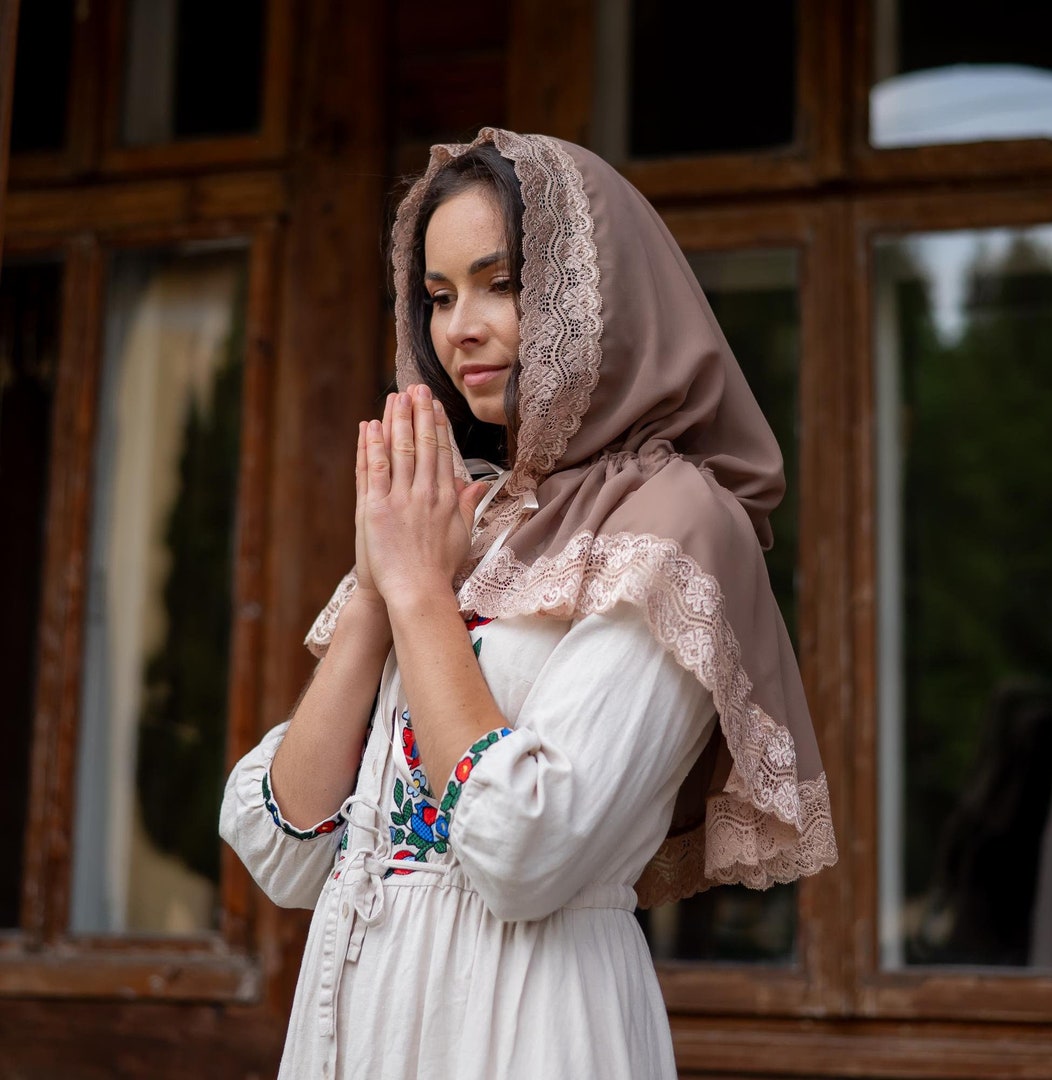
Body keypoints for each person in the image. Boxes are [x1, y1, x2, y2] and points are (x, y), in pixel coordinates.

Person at [220, 127, 837, 1079]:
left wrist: (420, 590)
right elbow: (283, 849)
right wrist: (382, 597)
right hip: (360, 1025)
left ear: (596, 295)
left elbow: (525, 851)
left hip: (529, 1026)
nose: (459, 326)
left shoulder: (675, 527)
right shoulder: (462, 514)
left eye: (500, 283)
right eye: (437, 295)